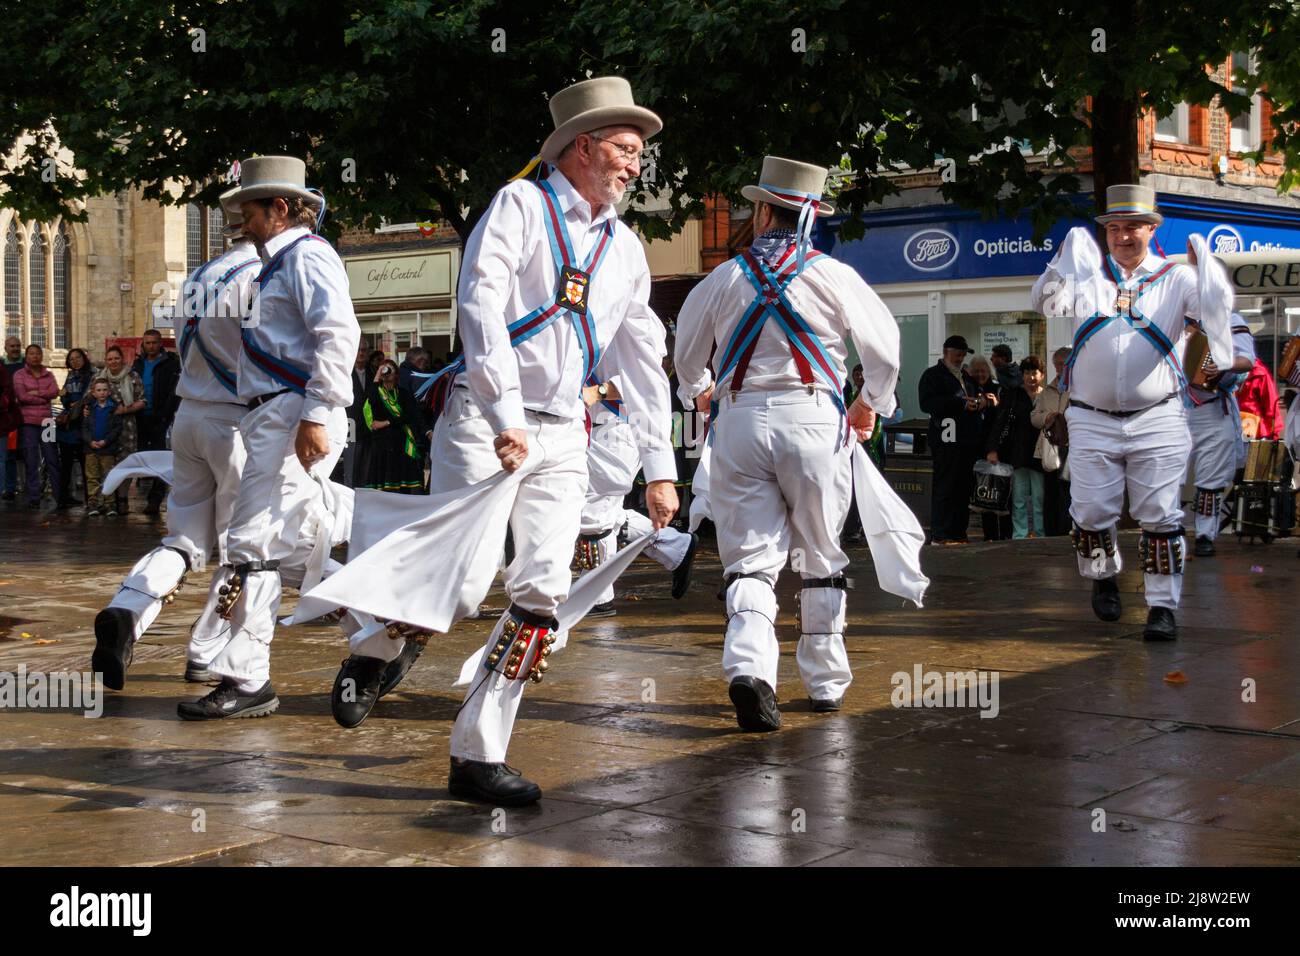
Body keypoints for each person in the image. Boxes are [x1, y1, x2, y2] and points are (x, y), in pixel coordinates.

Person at [327, 77, 678, 806]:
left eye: (639, 153)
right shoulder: (520, 204)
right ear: (582, 146)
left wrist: (660, 468)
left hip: (566, 437)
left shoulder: (626, 249)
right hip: (485, 424)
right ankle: (378, 645)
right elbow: (479, 306)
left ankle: (477, 754)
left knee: (543, 593)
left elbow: (643, 360)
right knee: (459, 575)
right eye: (624, 148)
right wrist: (506, 414)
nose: (634, 164)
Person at [675, 155, 899, 729]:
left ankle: (750, 669)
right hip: (813, 420)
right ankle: (824, 682)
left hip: (742, 422)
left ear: (762, 209)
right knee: (820, 555)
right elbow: (885, 349)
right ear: (810, 215)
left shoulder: (723, 277)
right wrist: (869, 403)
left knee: (750, 559)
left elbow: (686, 353)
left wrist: (702, 392)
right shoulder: (833, 274)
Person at [176, 155, 356, 720]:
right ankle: (383, 629)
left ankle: (248, 679)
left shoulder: (307, 255)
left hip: (288, 414)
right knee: (293, 542)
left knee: (251, 544)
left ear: (280, 209)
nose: (239, 222)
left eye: (248, 211)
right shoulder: (276, 265)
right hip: (271, 415)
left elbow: (337, 332)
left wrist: (318, 415)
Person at [1030, 183, 1233, 641]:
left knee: (1161, 514)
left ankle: (1162, 608)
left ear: (1151, 230)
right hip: (1090, 417)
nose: (1123, 237)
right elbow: (1041, 302)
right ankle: (1103, 575)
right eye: (1114, 228)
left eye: (1133, 228)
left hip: (1158, 416)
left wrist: (1209, 277)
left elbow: (1215, 318)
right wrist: (1061, 259)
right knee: (1088, 510)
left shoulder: (1176, 280)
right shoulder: (1087, 281)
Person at [92, 189, 261, 690]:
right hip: (233, 422)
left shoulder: (198, 276)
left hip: (188, 418)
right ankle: (207, 649)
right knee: (240, 547)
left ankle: (126, 609)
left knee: (184, 539)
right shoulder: (261, 278)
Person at [575, 377, 698, 616]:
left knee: (593, 511)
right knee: (592, 509)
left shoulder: (628, 339)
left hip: (615, 426)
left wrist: (598, 391)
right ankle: (675, 546)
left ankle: (597, 597)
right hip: (589, 425)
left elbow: (646, 375)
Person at [1184, 313, 1255, 556]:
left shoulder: (1230, 319)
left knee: (1210, 478)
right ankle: (1167, 527)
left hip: (1211, 406)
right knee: (1166, 472)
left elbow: (1246, 361)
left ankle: (1205, 534)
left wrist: (1224, 364)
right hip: (1170, 406)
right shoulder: (1170, 318)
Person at [918, 335, 983, 544]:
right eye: (957, 354)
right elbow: (927, 404)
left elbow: (977, 395)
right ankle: (941, 532)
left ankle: (958, 531)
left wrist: (981, 402)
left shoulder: (966, 377)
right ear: (946, 352)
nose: (960, 358)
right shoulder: (932, 376)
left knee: (963, 489)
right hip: (946, 441)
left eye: (963, 355)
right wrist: (960, 404)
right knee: (945, 486)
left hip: (965, 441)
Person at [987, 355, 1047, 539]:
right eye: (1027, 373)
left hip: (1040, 455)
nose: (1030, 377)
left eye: (1034, 373)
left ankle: (1040, 533)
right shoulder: (1013, 395)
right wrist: (993, 448)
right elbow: (1000, 422)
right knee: (1019, 498)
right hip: (1018, 454)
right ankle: (1019, 534)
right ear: (1021, 375)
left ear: (1042, 375)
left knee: (1039, 499)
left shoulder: (1047, 396)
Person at [131, 329, 182, 515]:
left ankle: (155, 499)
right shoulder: (138, 364)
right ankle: (140, 494)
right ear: (143, 344)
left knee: (161, 458)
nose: (150, 346)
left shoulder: (171, 364)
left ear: (160, 343)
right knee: (142, 456)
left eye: (154, 342)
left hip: (160, 417)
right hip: (139, 416)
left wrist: (165, 415)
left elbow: (174, 392)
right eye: (147, 343)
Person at [92, 345, 145, 515]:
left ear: (122, 359)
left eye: (116, 358)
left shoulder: (133, 376)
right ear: (106, 361)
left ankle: (122, 500)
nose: (113, 361)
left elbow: (142, 401)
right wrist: (87, 409)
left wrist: (124, 410)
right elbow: (88, 398)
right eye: (110, 359)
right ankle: (106, 500)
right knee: (105, 463)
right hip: (103, 427)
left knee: (124, 464)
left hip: (126, 426)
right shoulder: (98, 378)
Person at [361, 359, 425, 493]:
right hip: (381, 442)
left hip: (400, 441)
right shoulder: (376, 392)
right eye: (384, 369)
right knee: (383, 483)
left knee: (401, 483)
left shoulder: (403, 393)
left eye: (390, 369)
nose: (387, 372)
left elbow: (408, 416)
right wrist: (378, 373)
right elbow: (370, 398)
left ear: (396, 374)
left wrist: (386, 422)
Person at [12, 344, 60, 509]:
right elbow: (22, 396)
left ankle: (58, 495)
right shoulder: (19, 375)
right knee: (31, 459)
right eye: (32, 354)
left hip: (47, 422)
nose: (35, 357)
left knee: (52, 457)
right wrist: (43, 397)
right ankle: (33, 496)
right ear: (27, 357)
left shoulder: (49, 374)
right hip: (28, 423)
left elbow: (55, 391)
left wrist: (37, 394)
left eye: (38, 354)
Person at [1032, 346, 1072, 536]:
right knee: (1050, 493)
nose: (1059, 369)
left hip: (1071, 447)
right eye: (1057, 365)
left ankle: (1066, 530)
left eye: (1062, 365)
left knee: (1068, 493)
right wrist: (1048, 417)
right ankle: (1051, 532)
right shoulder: (1047, 391)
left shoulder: (1078, 388)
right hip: (1050, 448)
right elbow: (1034, 417)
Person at [967, 355, 1008, 540]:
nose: (980, 374)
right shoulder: (969, 389)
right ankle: (989, 534)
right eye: (976, 371)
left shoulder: (997, 389)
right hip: (975, 447)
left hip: (995, 448)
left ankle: (1005, 533)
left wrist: (994, 404)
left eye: (983, 370)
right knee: (984, 493)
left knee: (1000, 491)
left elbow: (1002, 418)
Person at [55, 347, 92, 509]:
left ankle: (90, 498)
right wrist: (67, 402)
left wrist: (77, 404)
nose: (75, 361)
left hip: (83, 424)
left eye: (78, 357)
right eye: (71, 359)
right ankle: (63, 497)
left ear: (84, 358)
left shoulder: (91, 375)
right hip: (68, 427)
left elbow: (88, 396)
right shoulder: (70, 376)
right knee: (66, 464)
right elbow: (64, 396)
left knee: (86, 465)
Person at [81, 380, 124, 516]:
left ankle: (109, 504)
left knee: (108, 476)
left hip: (108, 449)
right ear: (93, 393)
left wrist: (106, 441)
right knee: (92, 477)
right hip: (91, 449)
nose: (102, 393)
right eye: (98, 390)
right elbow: (84, 428)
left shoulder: (114, 408)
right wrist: (90, 441)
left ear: (109, 392)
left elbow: (117, 428)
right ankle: (93, 503)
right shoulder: (89, 409)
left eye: (105, 390)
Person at [1236, 355, 1283, 440]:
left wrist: (1274, 435)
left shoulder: (1260, 373)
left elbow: (1271, 406)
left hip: (1255, 430)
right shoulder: (1226, 370)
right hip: (1234, 428)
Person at [1, 335, 22, 499]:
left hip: (24, 416)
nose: (15, 349)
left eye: (17, 346)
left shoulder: (26, 364)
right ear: (5, 348)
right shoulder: (2, 365)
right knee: (8, 454)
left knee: (26, 454)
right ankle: (9, 487)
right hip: (7, 418)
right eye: (12, 346)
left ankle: (17, 486)